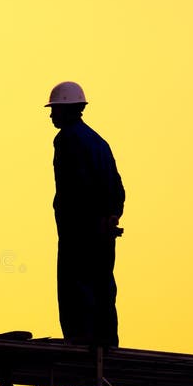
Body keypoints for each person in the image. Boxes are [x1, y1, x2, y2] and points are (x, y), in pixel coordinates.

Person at [46, 81, 125, 348]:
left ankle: (81, 343)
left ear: (67, 110)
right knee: (103, 287)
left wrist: (82, 221)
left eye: (54, 109)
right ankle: (106, 343)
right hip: (103, 233)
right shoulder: (99, 142)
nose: (51, 115)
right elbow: (117, 188)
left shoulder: (67, 139)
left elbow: (74, 188)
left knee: (75, 287)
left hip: (79, 231)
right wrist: (111, 216)